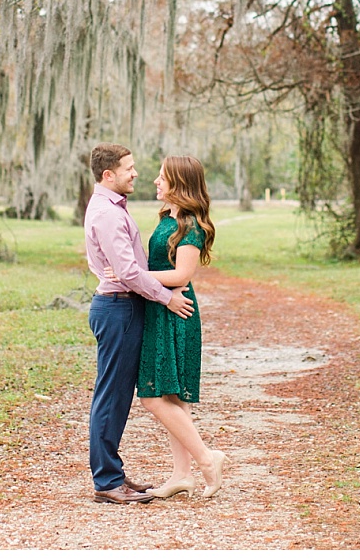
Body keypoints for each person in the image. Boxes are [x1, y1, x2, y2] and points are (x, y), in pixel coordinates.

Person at [82, 143, 194, 504]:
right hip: (118, 309)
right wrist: (166, 296)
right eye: (129, 168)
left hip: (121, 305)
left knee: (115, 397)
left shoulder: (109, 208)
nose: (136, 174)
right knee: (111, 396)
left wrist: (124, 275)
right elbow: (129, 272)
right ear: (108, 175)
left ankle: (112, 474)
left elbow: (120, 268)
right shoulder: (109, 214)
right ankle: (107, 482)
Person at [120, 156, 227, 499]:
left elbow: (182, 275)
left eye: (162, 177)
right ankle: (182, 475)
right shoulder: (170, 219)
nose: (154, 180)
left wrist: (132, 277)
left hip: (175, 313)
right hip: (161, 308)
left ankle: (206, 458)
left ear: (179, 183)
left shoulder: (191, 225)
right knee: (171, 396)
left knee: (152, 396)